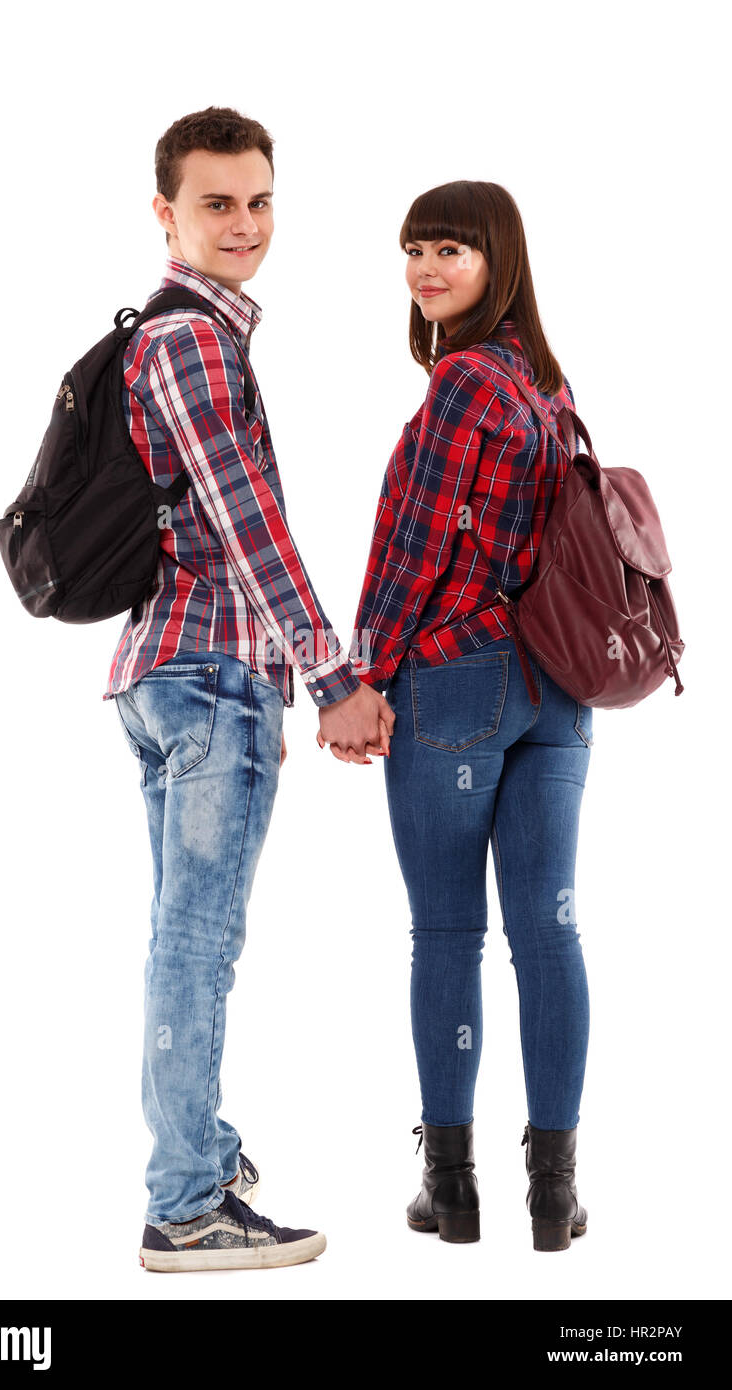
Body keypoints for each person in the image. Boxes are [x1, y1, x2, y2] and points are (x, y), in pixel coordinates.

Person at [104, 106, 395, 1272]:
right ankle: (183, 1203)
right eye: (216, 202)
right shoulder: (190, 344)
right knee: (198, 938)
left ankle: (201, 1152)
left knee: (188, 933)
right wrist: (331, 678)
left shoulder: (197, 336)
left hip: (173, 669)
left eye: (258, 200)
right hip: (208, 674)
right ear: (165, 214)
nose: (243, 222)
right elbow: (249, 528)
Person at [320, 180, 592, 1253]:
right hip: (556, 690)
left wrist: (358, 678)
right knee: (550, 932)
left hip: (459, 679)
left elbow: (416, 554)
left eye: (452, 251)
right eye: (415, 249)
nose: (427, 270)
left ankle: (454, 1186)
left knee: (447, 932)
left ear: (499, 262)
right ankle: (553, 1192)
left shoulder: (462, 385)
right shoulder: (544, 385)